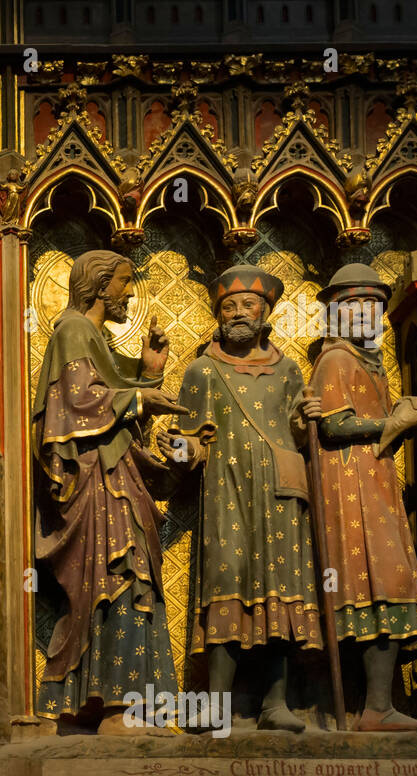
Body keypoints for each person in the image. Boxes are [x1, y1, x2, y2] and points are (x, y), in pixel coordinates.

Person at [156, 265, 322, 733]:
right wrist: (182, 449)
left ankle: (274, 702)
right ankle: (216, 703)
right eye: (228, 307)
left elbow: (297, 432)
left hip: (279, 497)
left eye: (247, 305)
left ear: (266, 312)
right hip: (226, 491)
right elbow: (192, 440)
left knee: (279, 590)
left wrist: (307, 419)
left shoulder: (289, 370)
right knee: (225, 581)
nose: (237, 314)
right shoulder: (202, 371)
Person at [33, 250, 185, 733]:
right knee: (117, 579)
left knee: (131, 579)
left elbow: (110, 395)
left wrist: (148, 371)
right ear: (100, 286)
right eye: (124, 283)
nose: (129, 293)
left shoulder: (90, 336)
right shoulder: (73, 330)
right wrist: (139, 394)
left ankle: (118, 704)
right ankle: (116, 706)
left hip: (116, 475)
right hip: (99, 481)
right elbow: (80, 401)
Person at [307, 263, 417, 731]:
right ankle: (374, 709)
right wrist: (393, 423)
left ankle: (377, 705)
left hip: (372, 479)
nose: (367, 315)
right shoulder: (337, 360)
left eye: (374, 308)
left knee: (388, 579)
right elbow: (333, 425)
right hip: (350, 486)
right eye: (355, 306)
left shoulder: (365, 364)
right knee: (379, 581)